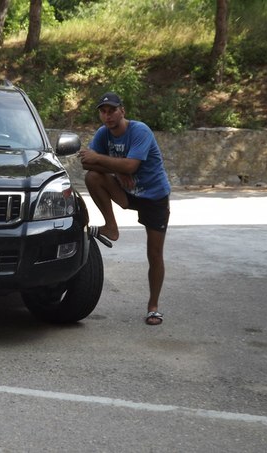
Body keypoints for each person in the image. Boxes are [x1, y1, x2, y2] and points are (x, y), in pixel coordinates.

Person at [78, 92, 171, 326]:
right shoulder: (103, 134)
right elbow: (87, 162)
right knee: (93, 177)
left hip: (154, 197)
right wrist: (116, 171)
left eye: (112, 111)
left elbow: (130, 165)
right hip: (127, 192)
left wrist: (110, 163)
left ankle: (153, 307)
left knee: (155, 254)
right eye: (103, 112)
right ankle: (111, 227)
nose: (107, 116)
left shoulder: (140, 131)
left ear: (122, 111)